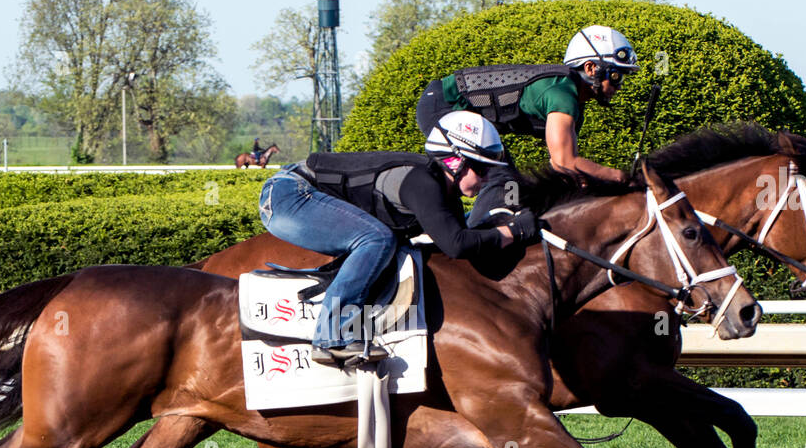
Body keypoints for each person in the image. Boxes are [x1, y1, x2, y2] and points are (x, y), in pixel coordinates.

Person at [258, 111, 539, 365]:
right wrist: (514, 231)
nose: (488, 177)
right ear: (455, 161)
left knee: (385, 241)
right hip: (289, 195)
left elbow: (462, 238)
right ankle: (332, 337)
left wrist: (504, 224)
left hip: (302, 193)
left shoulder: (446, 194)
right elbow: (456, 246)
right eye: (482, 168)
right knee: (377, 239)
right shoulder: (422, 184)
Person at [415, 25, 639, 228]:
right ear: (591, 68)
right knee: (504, 181)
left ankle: (475, 226)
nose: (619, 85)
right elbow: (565, 162)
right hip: (443, 105)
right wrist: (621, 178)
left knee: (513, 190)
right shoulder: (561, 94)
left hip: (456, 110)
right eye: (616, 75)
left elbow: (565, 171)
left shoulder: (574, 104)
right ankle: (474, 244)